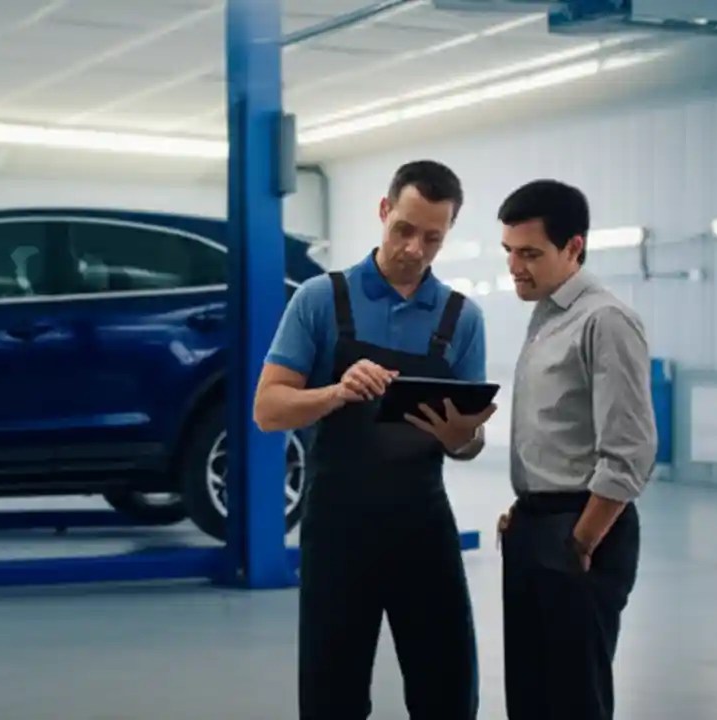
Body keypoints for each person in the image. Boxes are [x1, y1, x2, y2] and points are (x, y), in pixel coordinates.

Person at [253, 160, 495, 720]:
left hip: (423, 527)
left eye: (432, 237)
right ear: (384, 212)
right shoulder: (320, 300)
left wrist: (462, 438)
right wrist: (335, 392)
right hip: (338, 529)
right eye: (404, 229)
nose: (415, 248)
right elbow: (267, 409)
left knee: (448, 690)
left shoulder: (463, 319)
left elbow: (470, 442)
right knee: (331, 695)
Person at [495, 179, 657, 720]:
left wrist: (580, 538)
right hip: (537, 523)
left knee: (573, 699)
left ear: (574, 248)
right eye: (510, 252)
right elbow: (559, 432)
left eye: (531, 254)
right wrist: (526, 510)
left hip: (581, 530)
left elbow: (630, 449)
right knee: (531, 692)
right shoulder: (545, 315)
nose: (516, 266)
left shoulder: (604, 321)